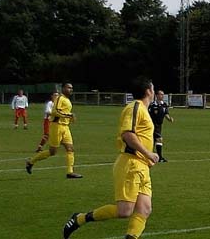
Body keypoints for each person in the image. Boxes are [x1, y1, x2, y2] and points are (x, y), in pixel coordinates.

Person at [62, 78, 161, 239]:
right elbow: (128, 134)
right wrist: (148, 153)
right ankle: (79, 218)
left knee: (144, 209)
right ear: (148, 91)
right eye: (153, 88)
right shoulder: (135, 107)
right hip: (130, 164)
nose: (155, 91)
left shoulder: (143, 109)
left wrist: (148, 159)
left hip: (142, 166)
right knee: (125, 211)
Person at [26, 83, 83, 179]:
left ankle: (70, 172)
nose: (70, 89)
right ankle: (31, 162)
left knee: (70, 149)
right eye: (68, 87)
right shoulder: (60, 98)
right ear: (64, 88)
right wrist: (69, 115)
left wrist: (70, 118)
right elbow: (55, 111)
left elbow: (64, 112)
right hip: (56, 126)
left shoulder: (67, 100)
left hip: (65, 127)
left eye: (71, 88)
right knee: (52, 151)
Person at [149, 90, 174, 163]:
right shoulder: (152, 105)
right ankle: (159, 157)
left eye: (163, 94)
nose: (162, 96)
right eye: (161, 94)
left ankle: (151, 156)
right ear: (156, 95)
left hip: (159, 126)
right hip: (152, 125)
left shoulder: (164, 104)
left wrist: (169, 119)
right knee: (159, 139)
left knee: (153, 141)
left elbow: (166, 113)